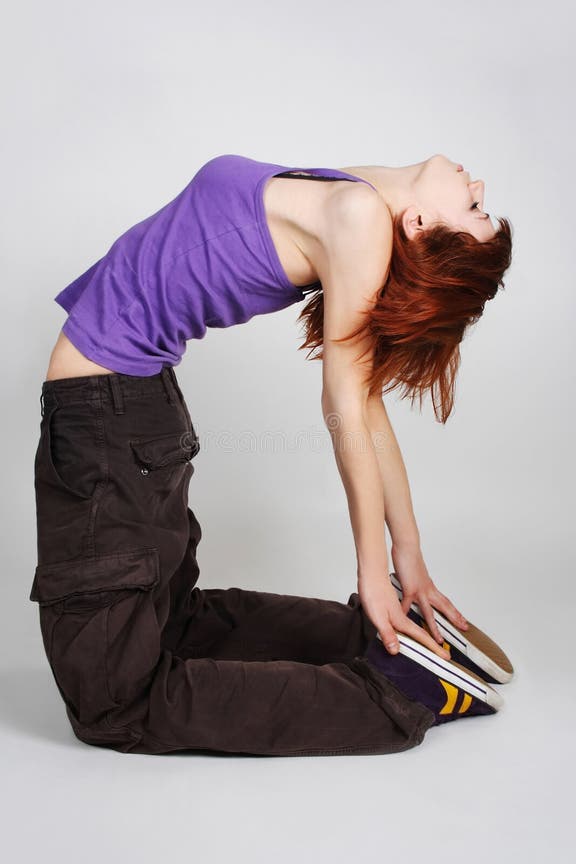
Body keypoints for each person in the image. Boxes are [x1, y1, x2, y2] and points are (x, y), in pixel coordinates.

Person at [29, 153, 514, 756]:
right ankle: (383, 639)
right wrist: (406, 554)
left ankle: (405, 688)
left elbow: (347, 405)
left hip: (110, 411)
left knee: (114, 705)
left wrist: (378, 569)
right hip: (130, 408)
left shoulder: (359, 214)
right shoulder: (360, 194)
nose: (479, 187)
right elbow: (364, 402)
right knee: (172, 624)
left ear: (418, 223)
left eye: (475, 210)